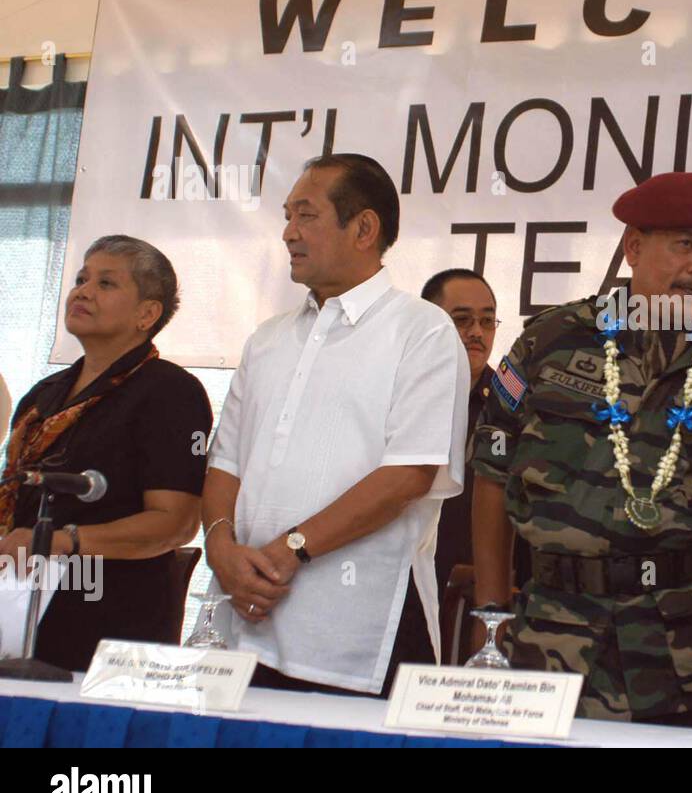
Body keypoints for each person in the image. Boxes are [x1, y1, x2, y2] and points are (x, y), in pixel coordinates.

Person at [470, 171, 692, 727]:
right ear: (633, 247)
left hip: (687, 655)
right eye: (684, 244)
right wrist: (490, 609)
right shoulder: (548, 342)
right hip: (552, 639)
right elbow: (492, 472)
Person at [202, 153, 469, 696]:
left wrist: (285, 552)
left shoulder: (423, 331)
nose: (287, 232)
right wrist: (221, 548)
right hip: (241, 619)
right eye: (286, 215)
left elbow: (409, 475)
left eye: (306, 215)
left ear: (364, 228)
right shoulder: (268, 338)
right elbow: (224, 462)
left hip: (355, 633)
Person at [0, 235, 212, 671]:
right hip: (17, 616)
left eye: (106, 283)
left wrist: (58, 543)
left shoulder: (169, 392)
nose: (83, 291)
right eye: (81, 278)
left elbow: (175, 523)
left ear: (146, 314)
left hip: (105, 623)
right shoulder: (43, 395)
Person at [419, 268, 530, 593]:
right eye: (462, 320)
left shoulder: (513, 401)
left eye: (487, 321)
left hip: (477, 594)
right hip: (394, 588)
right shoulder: (393, 395)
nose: (477, 333)